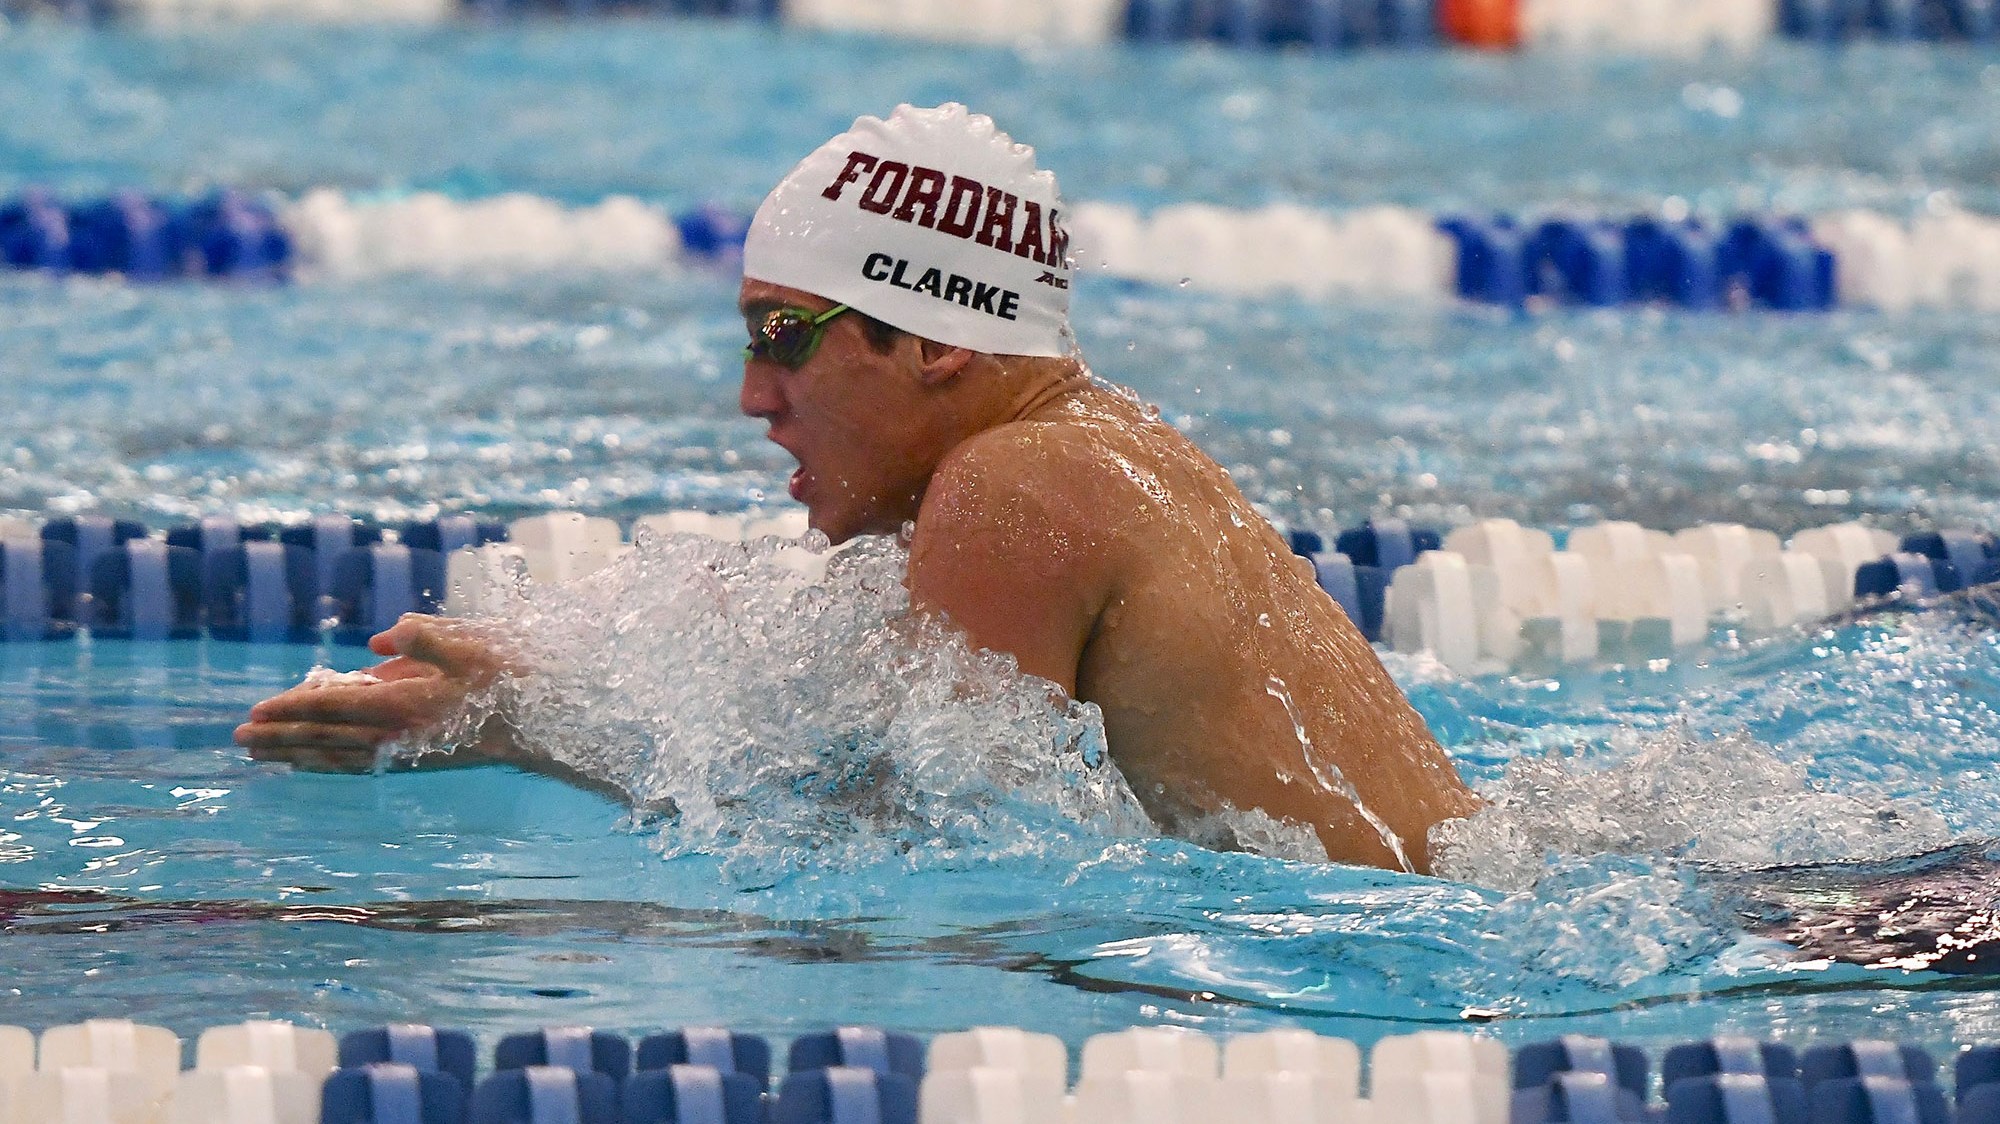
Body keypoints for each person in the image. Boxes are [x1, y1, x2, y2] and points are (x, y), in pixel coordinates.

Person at [235, 104, 1480, 872]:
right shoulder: (1093, 455)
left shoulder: (1017, 481)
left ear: (935, 340)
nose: (750, 395)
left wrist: (525, 721)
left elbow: (910, 839)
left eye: (783, 336)